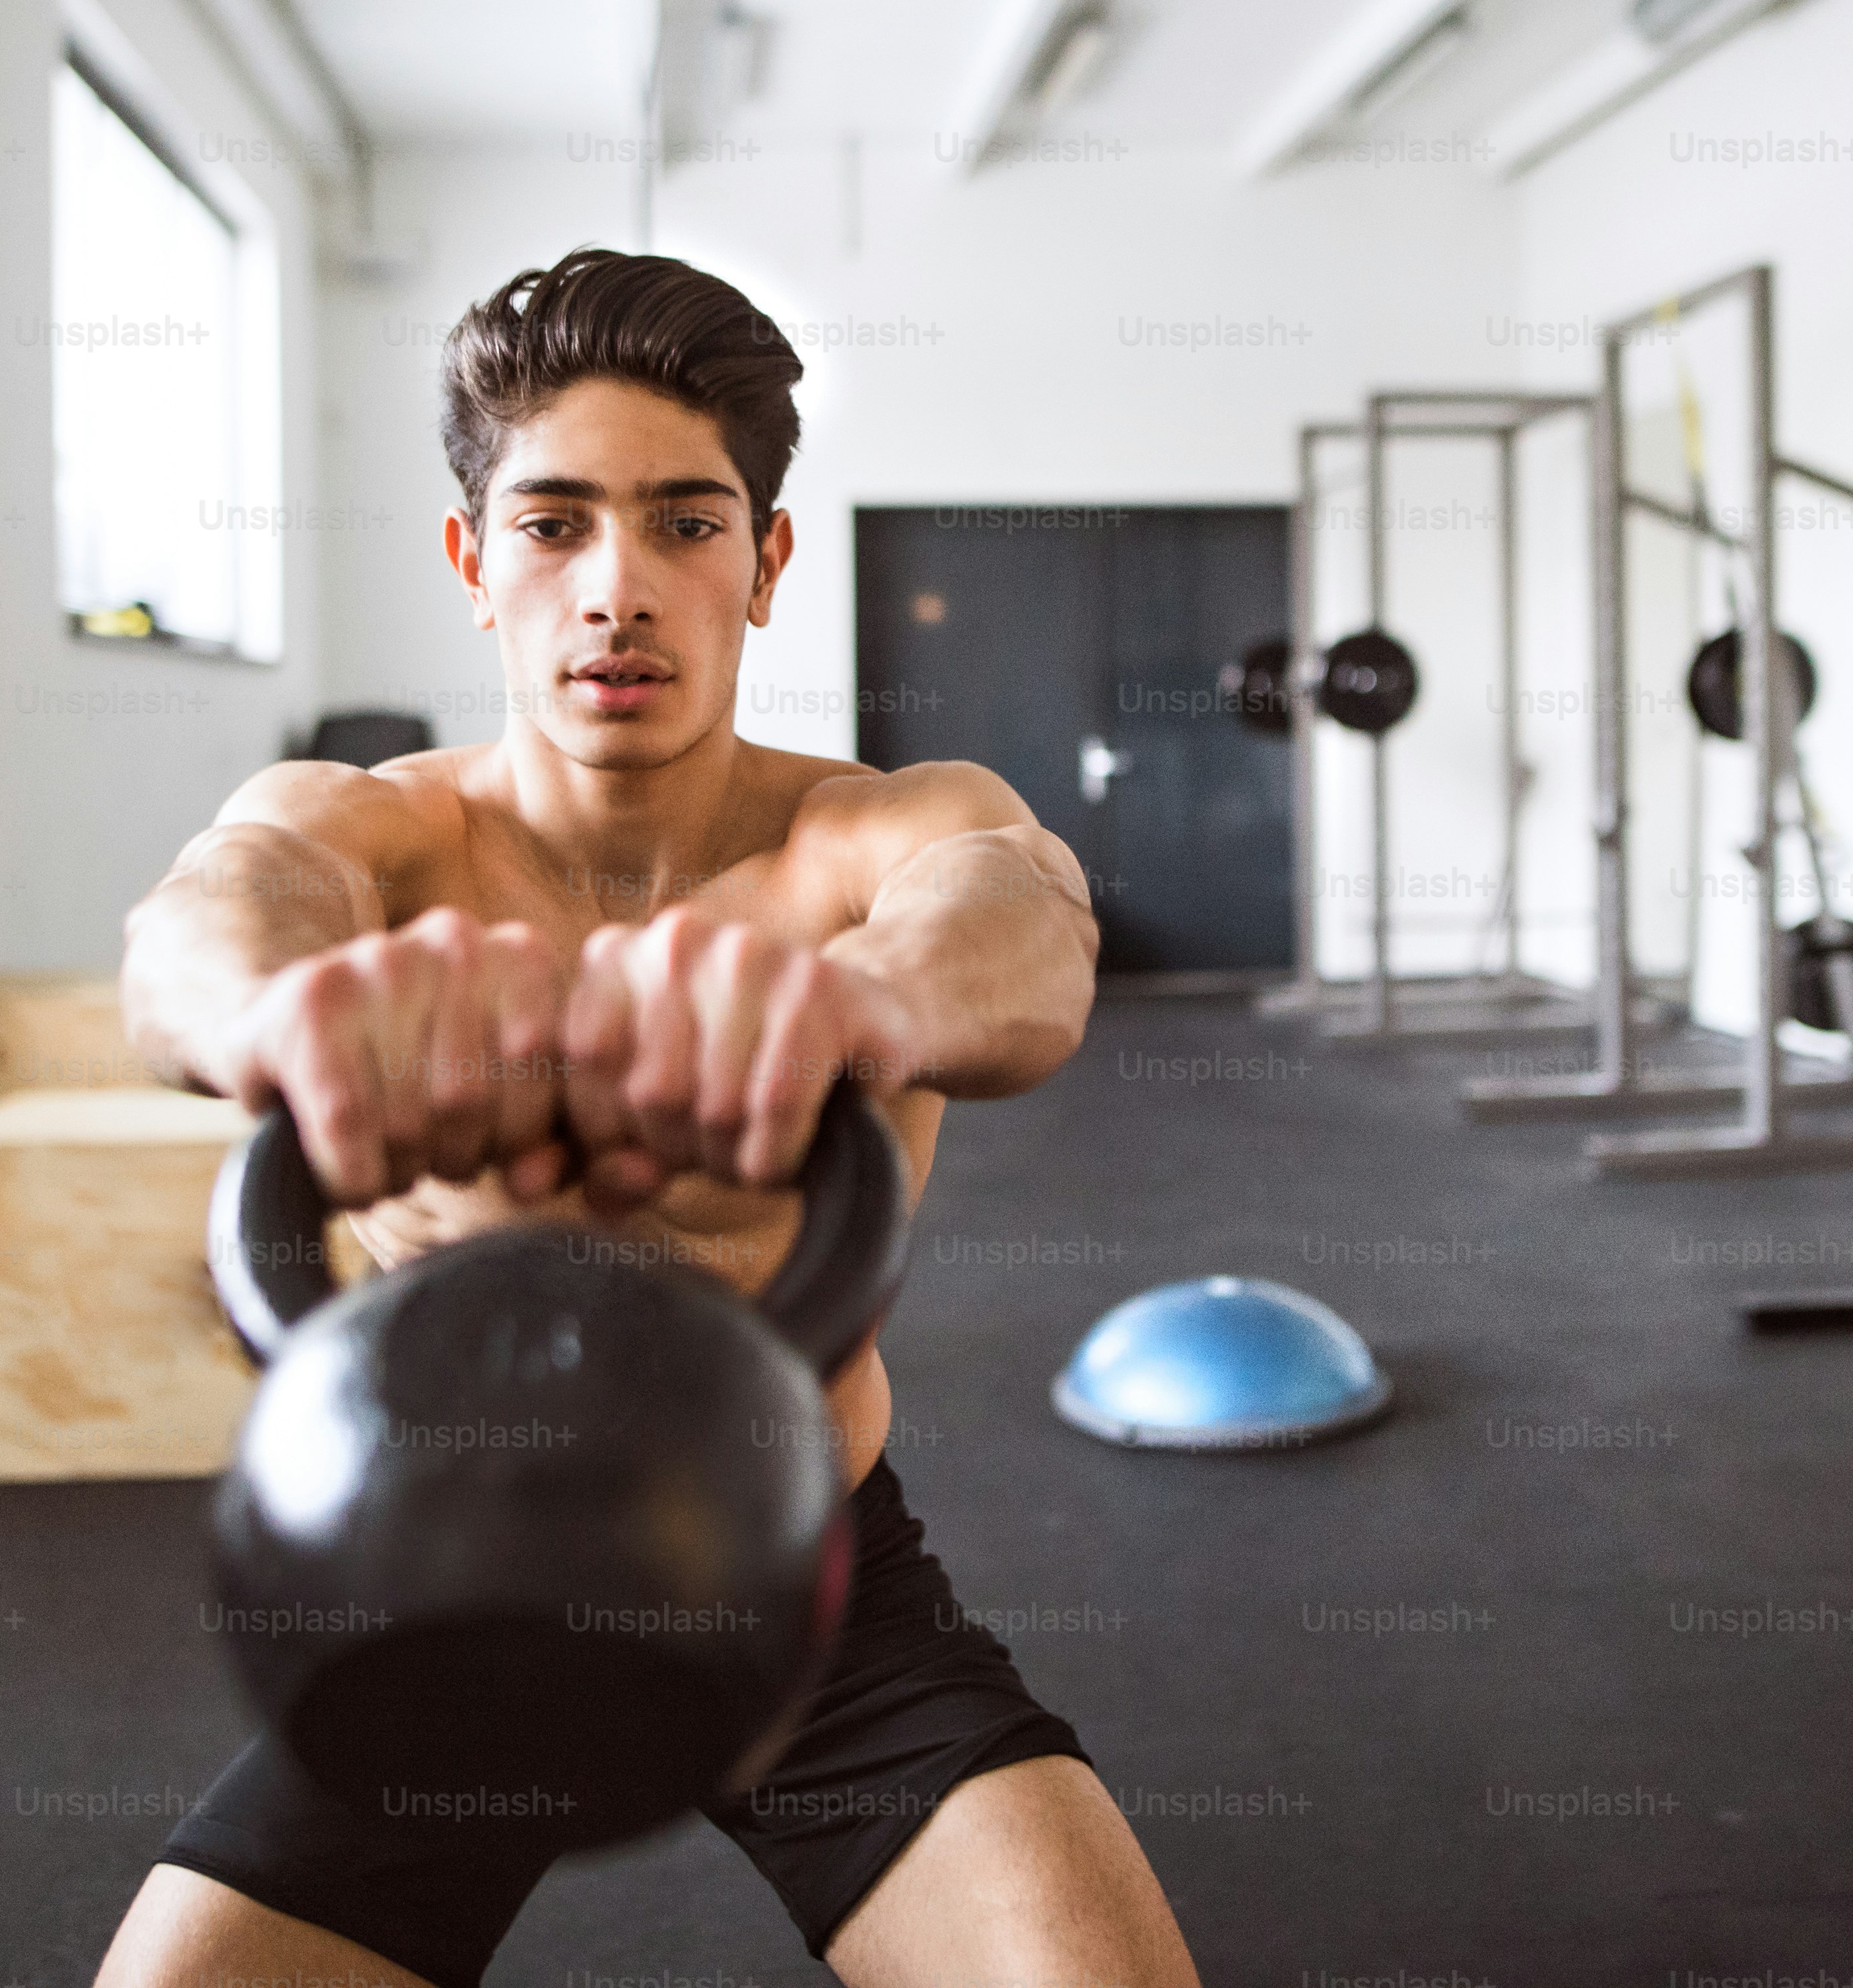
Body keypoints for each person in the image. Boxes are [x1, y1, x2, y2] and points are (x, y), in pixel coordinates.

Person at [96, 249, 1201, 1988]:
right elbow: (208, 918)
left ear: (765, 563)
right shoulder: (374, 837)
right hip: (428, 1580)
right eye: (553, 525)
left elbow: (1022, 926)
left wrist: (859, 1002)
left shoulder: (873, 837)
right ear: (474, 562)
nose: (618, 589)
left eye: (688, 524)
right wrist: (277, 1016)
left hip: (806, 1575)